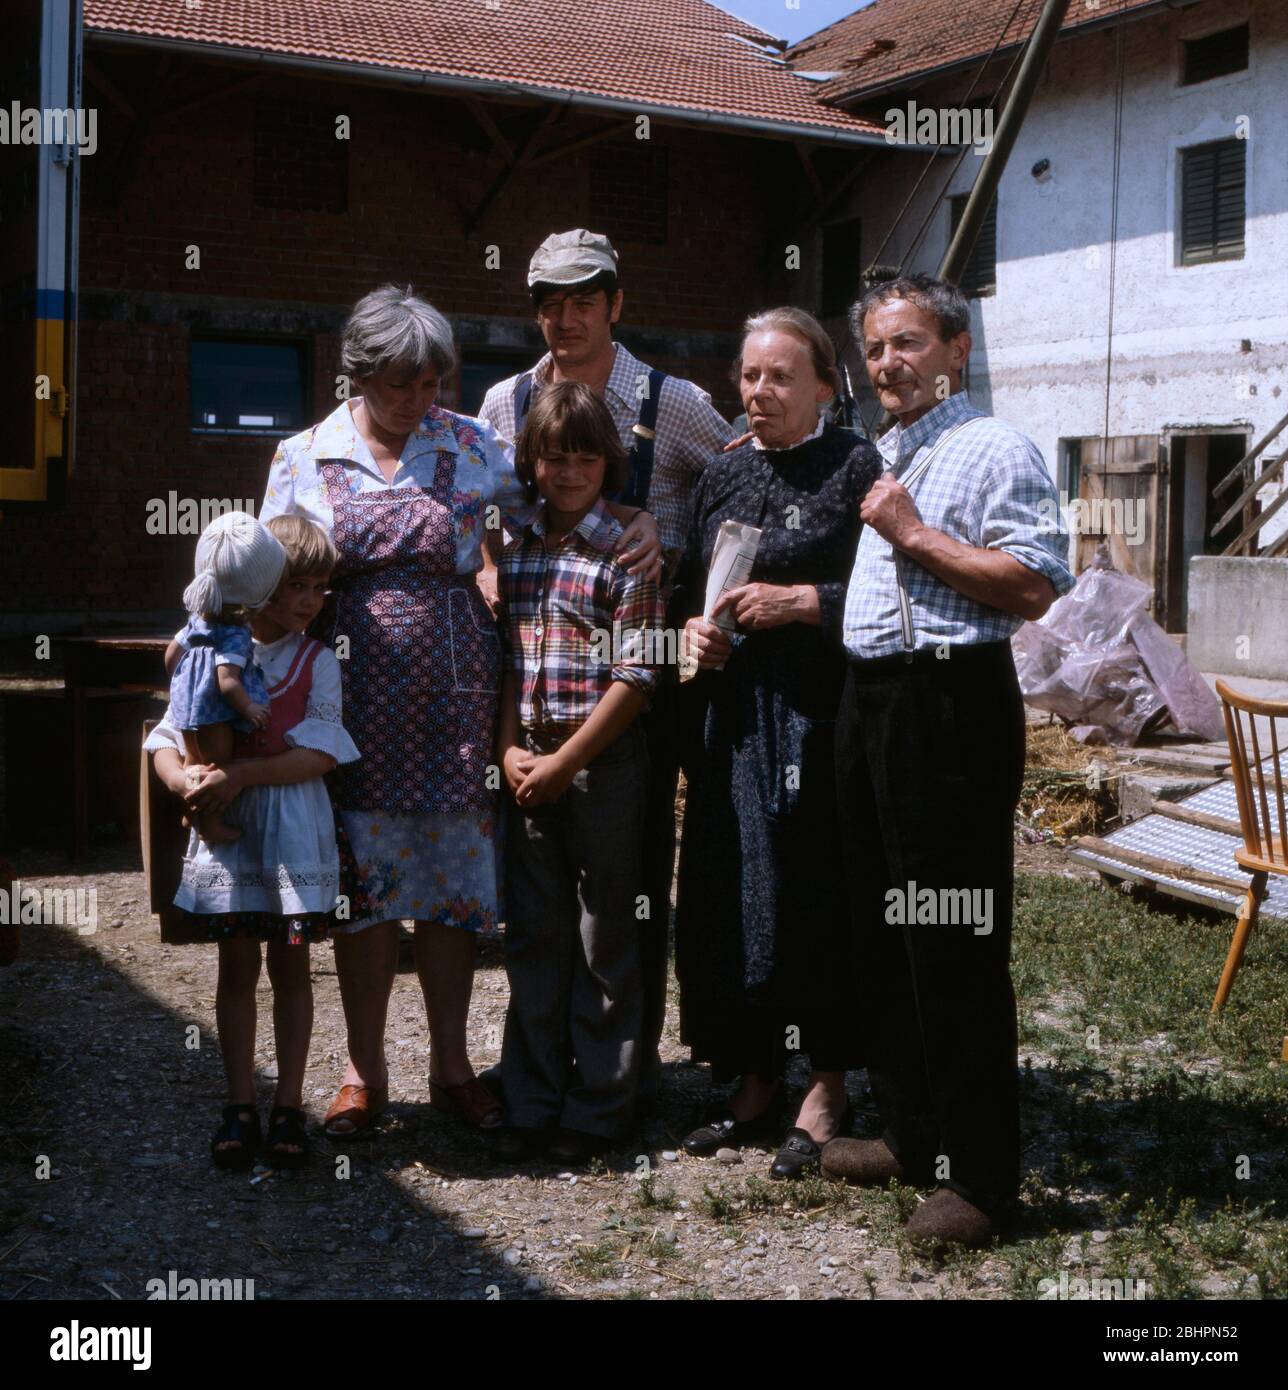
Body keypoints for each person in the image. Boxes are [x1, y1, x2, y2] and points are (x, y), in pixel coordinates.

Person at [260, 285, 661, 1138]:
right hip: (346, 696)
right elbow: (267, 575)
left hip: (458, 698)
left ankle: (451, 1068)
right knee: (364, 888)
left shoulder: (475, 444)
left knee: (448, 886)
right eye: (401, 385)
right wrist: (210, 641)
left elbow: (560, 505)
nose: (419, 401)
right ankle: (364, 1072)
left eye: (432, 382)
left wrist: (637, 519)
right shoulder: (304, 456)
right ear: (358, 377)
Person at [823, 273, 1074, 1245]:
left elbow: (1034, 582)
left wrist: (913, 533)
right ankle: (911, 1133)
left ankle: (979, 1177)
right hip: (871, 699)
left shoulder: (991, 447)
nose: (889, 363)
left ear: (956, 350)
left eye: (909, 344)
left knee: (952, 939)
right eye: (877, 348)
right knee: (880, 927)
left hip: (947, 707)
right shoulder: (893, 448)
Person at [481, 230, 734, 1106]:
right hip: (533, 663)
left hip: (636, 678)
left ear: (616, 304)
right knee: (539, 906)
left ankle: (615, 1081)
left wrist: (677, 533)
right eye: (550, 301)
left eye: (585, 299)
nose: (567, 317)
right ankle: (541, 1075)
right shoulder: (504, 402)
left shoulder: (676, 400)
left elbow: (743, 480)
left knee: (619, 899)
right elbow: (480, 517)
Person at [676, 308, 882, 1179]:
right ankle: (754, 1075)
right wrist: (697, 632)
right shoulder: (718, 479)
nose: (759, 392)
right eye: (750, 375)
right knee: (730, 891)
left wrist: (802, 604)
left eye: (781, 377)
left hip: (817, 711)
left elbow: (890, 596)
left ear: (827, 387)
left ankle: (826, 1086)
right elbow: (697, 591)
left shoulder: (857, 468)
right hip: (731, 718)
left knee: (812, 893)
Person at [147, 515, 361, 1169]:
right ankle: (239, 1103)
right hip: (231, 840)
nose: (309, 601)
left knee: (292, 968)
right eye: (297, 585)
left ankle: (289, 1105)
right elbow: (162, 734)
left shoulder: (317, 661)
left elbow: (323, 752)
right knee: (236, 969)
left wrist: (240, 773)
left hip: (292, 835)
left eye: (321, 588)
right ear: (258, 587)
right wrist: (188, 779)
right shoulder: (204, 647)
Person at [490, 382, 664, 1164]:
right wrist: (508, 750)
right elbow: (506, 659)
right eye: (553, 457)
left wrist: (567, 761)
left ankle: (601, 1104)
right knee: (535, 933)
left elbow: (638, 677)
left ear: (608, 462)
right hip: (529, 761)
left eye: (583, 457)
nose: (567, 472)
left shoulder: (626, 548)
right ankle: (530, 1094)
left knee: (604, 935)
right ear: (531, 462)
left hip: (599, 763)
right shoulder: (518, 545)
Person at [164, 513, 282, 843]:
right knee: (217, 766)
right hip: (214, 713)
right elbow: (227, 681)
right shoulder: (235, 634)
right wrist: (248, 709)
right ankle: (212, 826)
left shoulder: (198, 621)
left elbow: (171, 655)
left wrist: (182, 685)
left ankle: (190, 814)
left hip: (186, 707)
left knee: (192, 761)